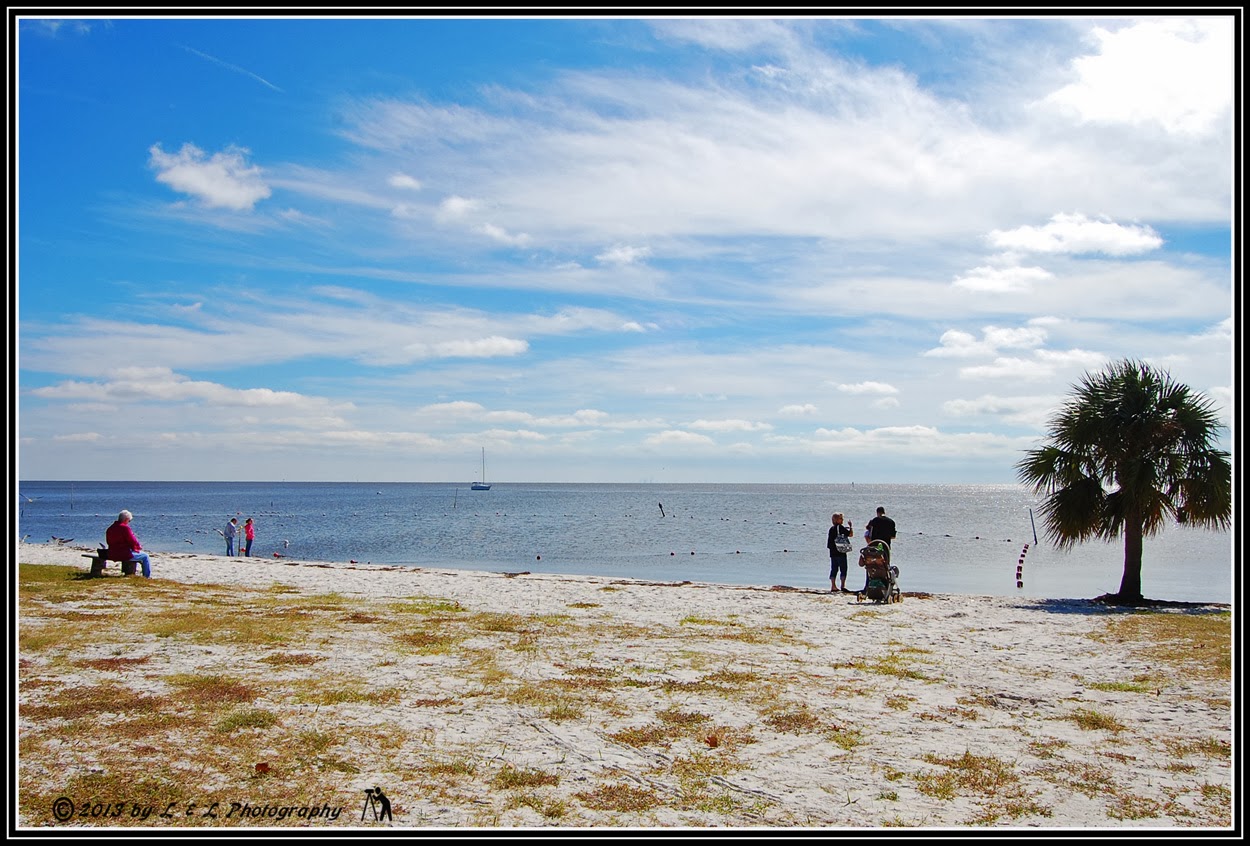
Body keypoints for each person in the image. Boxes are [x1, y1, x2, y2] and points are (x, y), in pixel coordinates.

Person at [860, 506, 897, 592]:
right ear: (884, 512)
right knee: (885, 566)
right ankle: (885, 585)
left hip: (873, 547)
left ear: (877, 512)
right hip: (885, 547)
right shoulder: (891, 522)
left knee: (871, 565)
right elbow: (893, 536)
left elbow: (868, 530)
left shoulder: (874, 521)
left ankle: (869, 585)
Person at [105, 510, 152, 578]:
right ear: (126, 519)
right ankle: (146, 576)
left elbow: (109, 542)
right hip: (124, 554)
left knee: (138, 554)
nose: (128, 523)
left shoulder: (110, 528)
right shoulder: (125, 528)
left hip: (111, 553)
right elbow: (133, 541)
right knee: (145, 556)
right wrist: (138, 547)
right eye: (129, 521)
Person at [826, 513, 854, 593]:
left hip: (832, 551)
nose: (842, 520)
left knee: (834, 569)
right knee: (843, 568)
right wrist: (851, 527)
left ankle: (833, 585)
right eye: (841, 518)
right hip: (840, 551)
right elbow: (850, 534)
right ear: (837, 520)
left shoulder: (831, 529)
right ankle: (842, 585)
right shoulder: (840, 527)